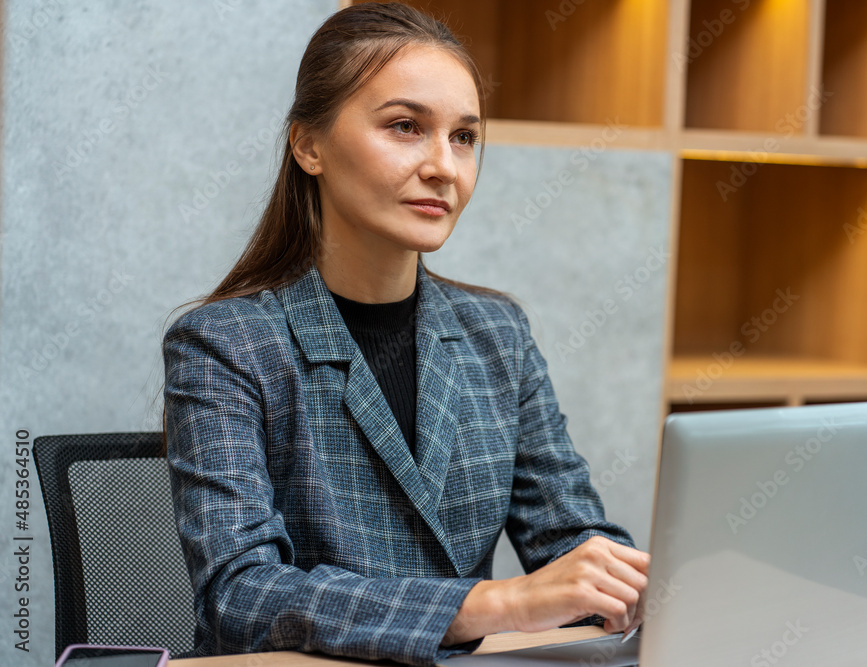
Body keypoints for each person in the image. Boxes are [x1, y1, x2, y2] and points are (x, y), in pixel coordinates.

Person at [162, 4, 649, 666]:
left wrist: (620, 582)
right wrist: (499, 604)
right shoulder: (225, 343)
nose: (444, 166)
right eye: (406, 127)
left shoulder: (496, 333)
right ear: (309, 144)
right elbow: (242, 597)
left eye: (464, 137)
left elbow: (567, 535)